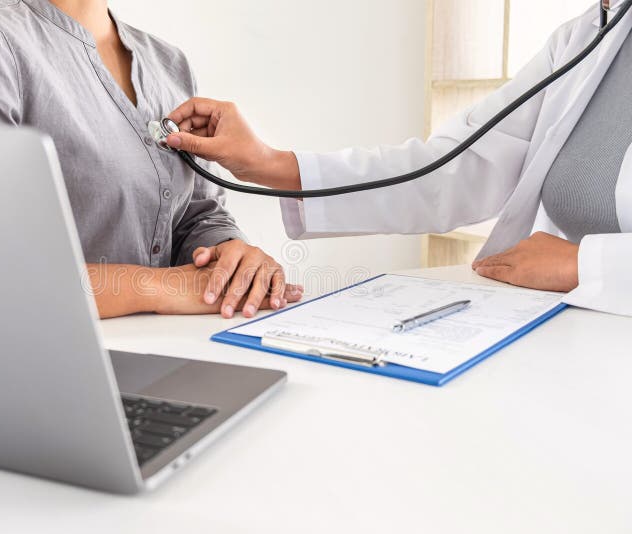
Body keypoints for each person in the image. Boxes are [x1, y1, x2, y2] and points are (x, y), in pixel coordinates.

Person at [164, 1, 632, 317]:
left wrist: (587, 265)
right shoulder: (588, 35)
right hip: (576, 329)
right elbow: (456, 166)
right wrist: (271, 164)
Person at [0, 0, 303, 319]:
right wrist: (160, 287)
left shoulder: (168, 63)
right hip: (35, 366)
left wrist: (231, 260)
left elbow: (197, 217)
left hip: (173, 356)